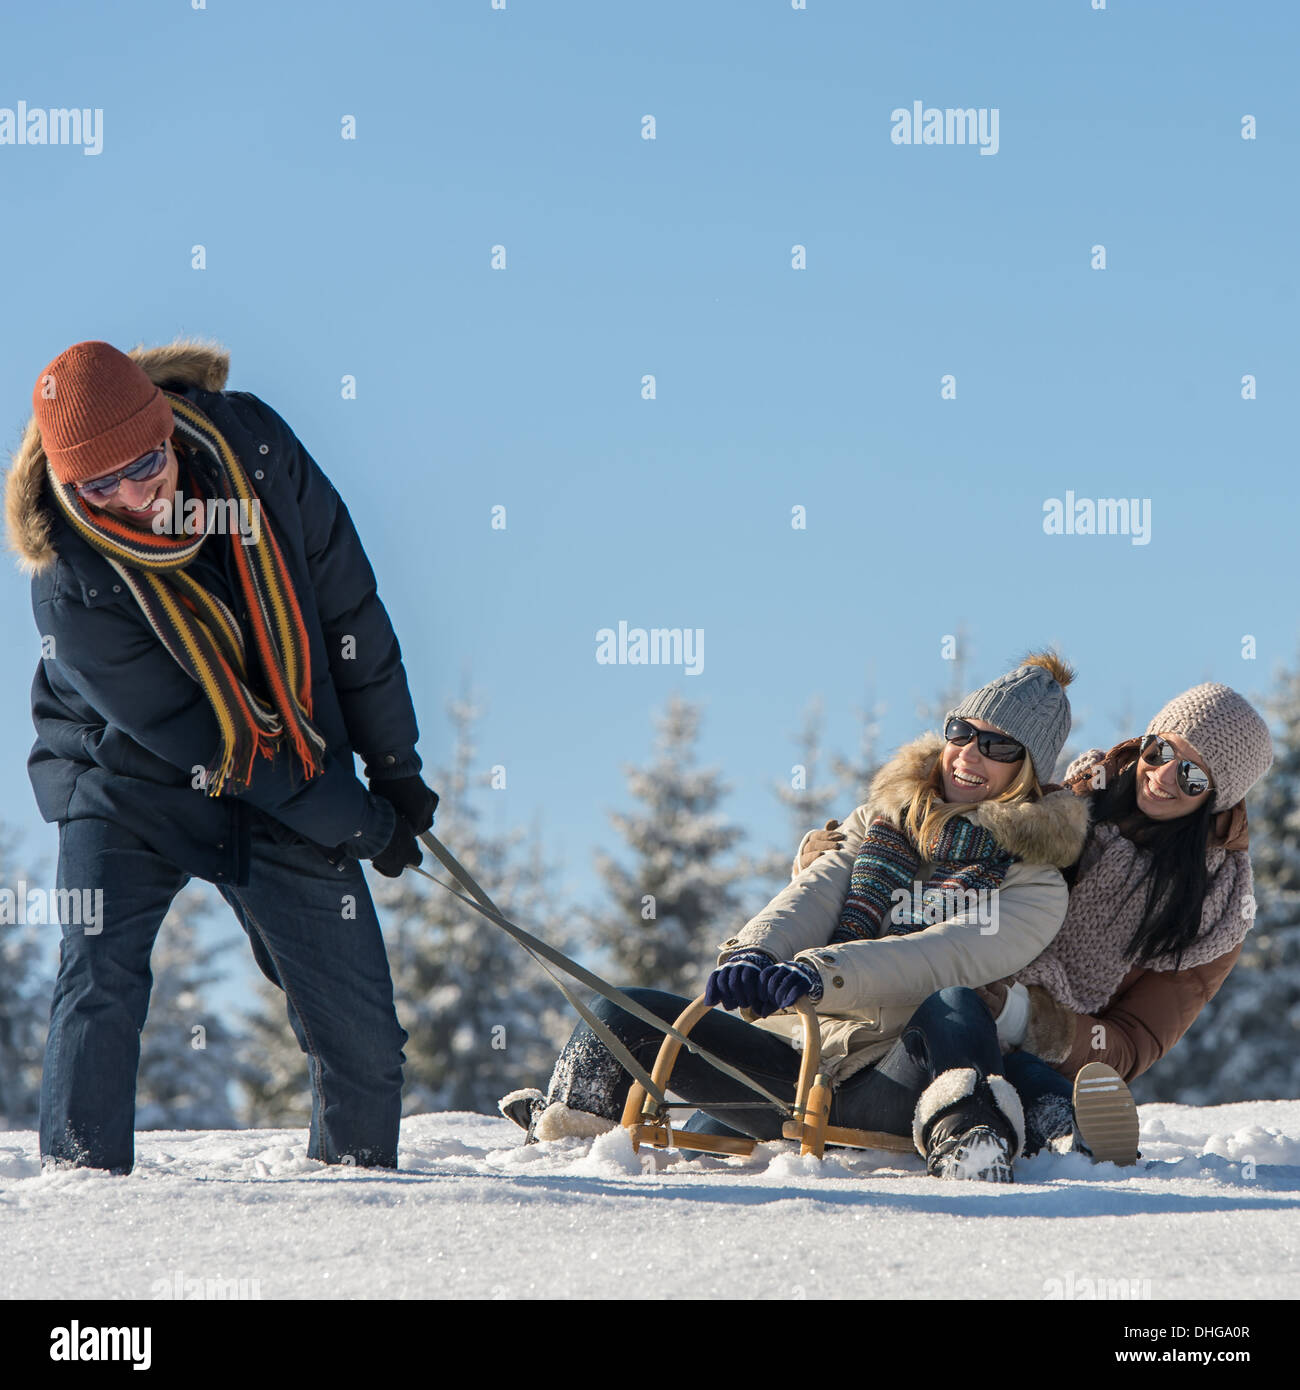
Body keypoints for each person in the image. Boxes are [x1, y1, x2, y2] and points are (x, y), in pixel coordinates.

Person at [5, 338, 438, 1174]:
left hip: (288, 754)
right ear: (68, 485)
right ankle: (84, 1195)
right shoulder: (70, 581)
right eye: (99, 484)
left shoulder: (258, 456)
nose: (131, 496)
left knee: (363, 1041)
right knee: (100, 975)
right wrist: (357, 821)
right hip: (125, 777)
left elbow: (350, 612)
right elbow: (210, 746)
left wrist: (396, 769)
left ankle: (359, 1206)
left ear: (169, 426)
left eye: (144, 463)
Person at [501, 653, 1090, 1181]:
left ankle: (971, 1141)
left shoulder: (1034, 884)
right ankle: (565, 1143)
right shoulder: (878, 823)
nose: (970, 756)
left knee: (958, 1004)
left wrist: (820, 972)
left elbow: (941, 955)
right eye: (963, 732)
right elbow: (817, 889)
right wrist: (755, 951)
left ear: (1030, 771)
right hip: (788, 1064)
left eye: (1000, 747)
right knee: (619, 1012)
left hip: (890, 1074)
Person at [796, 682, 1274, 1163]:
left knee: (1024, 1070)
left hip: (1038, 1052)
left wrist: (1026, 1018)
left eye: (1192, 776)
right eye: (1162, 749)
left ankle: (1068, 1133)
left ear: (1216, 796)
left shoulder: (1214, 910)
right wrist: (832, 868)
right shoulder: (1064, 808)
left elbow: (1132, 1042)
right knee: (959, 1020)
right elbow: (938, 841)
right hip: (930, 1003)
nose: (1165, 774)